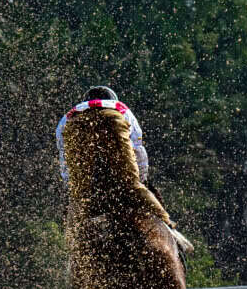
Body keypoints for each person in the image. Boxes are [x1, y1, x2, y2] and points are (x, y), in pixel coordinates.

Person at [56, 86, 187, 248]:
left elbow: (65, 157)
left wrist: (72, 186)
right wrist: (141, 180)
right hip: (113, 119)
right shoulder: (122, 109)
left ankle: (72, 247)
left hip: (76, 126)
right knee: (133, 185)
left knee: (79, 198)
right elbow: (138, 149)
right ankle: (169, 227)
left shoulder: (68, 116)